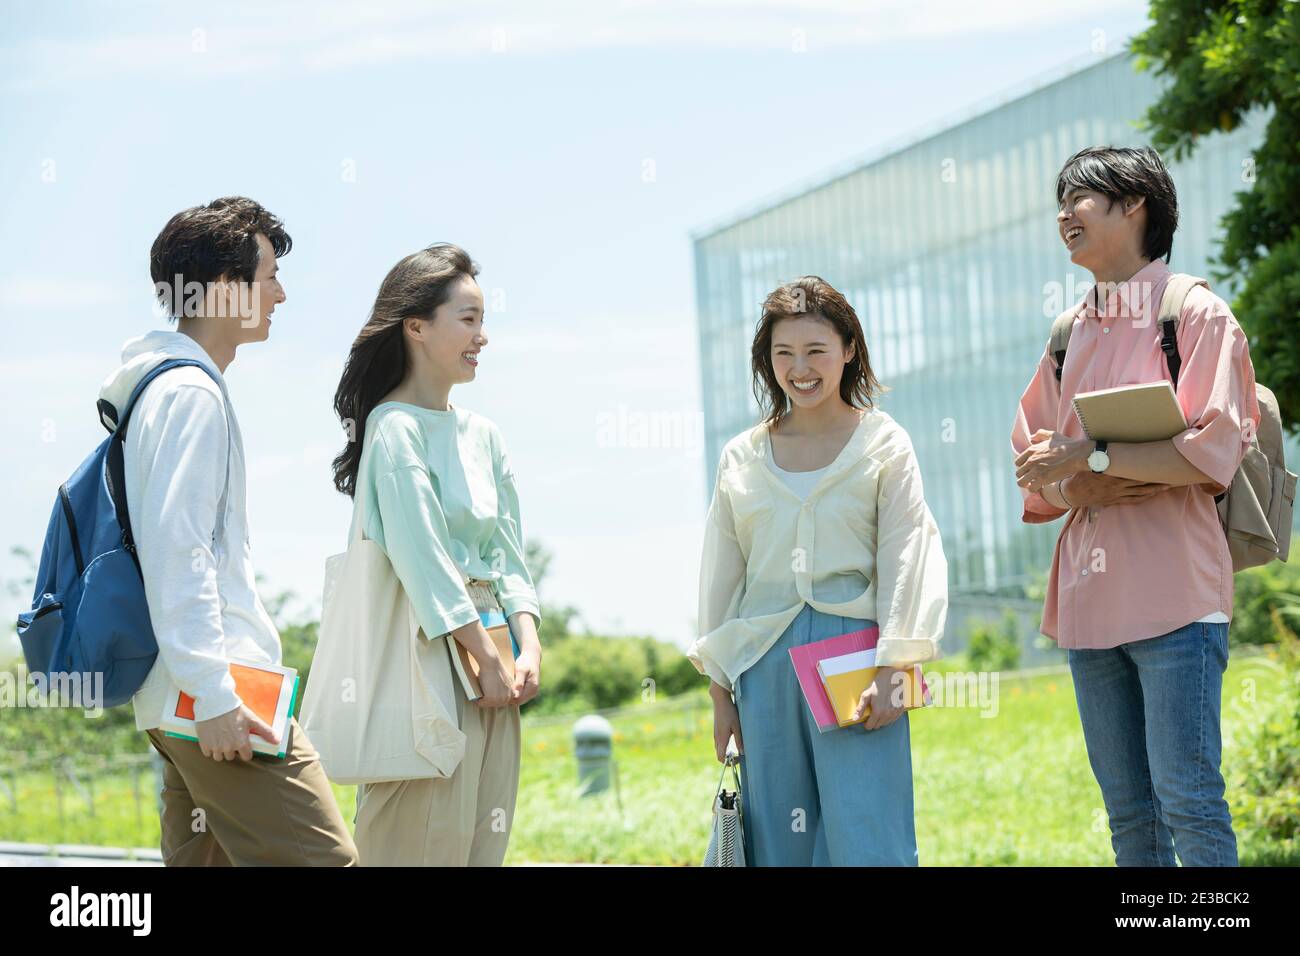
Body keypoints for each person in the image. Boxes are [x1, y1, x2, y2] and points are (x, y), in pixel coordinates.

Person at [1011, 145, 1259, 866]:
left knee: (1189, 799)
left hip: (1177, 598)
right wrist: (1087, 477)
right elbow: (1033, 467)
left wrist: (1089, 459)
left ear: (1135, 205)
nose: (1064, 215)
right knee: (1129, 818)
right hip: (1091, 606)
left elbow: (1211, 452)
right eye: (1060, 201)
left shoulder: (1196, 315)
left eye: (1080, 198)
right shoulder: (1068, 333)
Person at [100, 196, 358, 865]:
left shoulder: (161, 386)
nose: (280, 292)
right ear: (221, 289)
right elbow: (177, 552)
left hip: (179, 696)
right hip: (217, 694)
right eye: (267, 275)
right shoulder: (188, 393)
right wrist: (213, 693)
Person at [688, 275, 948, 866]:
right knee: (779, 843)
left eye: (815, 351)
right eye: (783, 354)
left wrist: (897, 665)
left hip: (860, 657)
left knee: (870, 837)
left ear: (848, 349)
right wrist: (720, 690)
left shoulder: (885, 442)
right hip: (763, 661)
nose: (799, 368)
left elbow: (908, 552)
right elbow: (722, 574)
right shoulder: (741, 456)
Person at [330, 243, 542, 866]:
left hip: (495, 663)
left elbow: (508, 555)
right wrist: (485, 656)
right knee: (415, 847)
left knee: (480, 848)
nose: (483, 337)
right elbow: (425, 563)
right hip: (427, 664)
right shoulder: (393, 428)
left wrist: (527, 646)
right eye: (469, 319)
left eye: (484, 320)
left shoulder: (485, 435)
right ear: (416, 326)